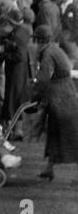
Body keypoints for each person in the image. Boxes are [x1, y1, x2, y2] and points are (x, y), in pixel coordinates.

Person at [33, 24, 78, 180]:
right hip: (66, 93)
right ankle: (49, 168)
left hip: (60, 95)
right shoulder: (54, 49)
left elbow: (44, 79)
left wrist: (36, 96)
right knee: (56, 132)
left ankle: (51, 168)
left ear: (39, 39)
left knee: (68, 134)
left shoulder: (48, 54)